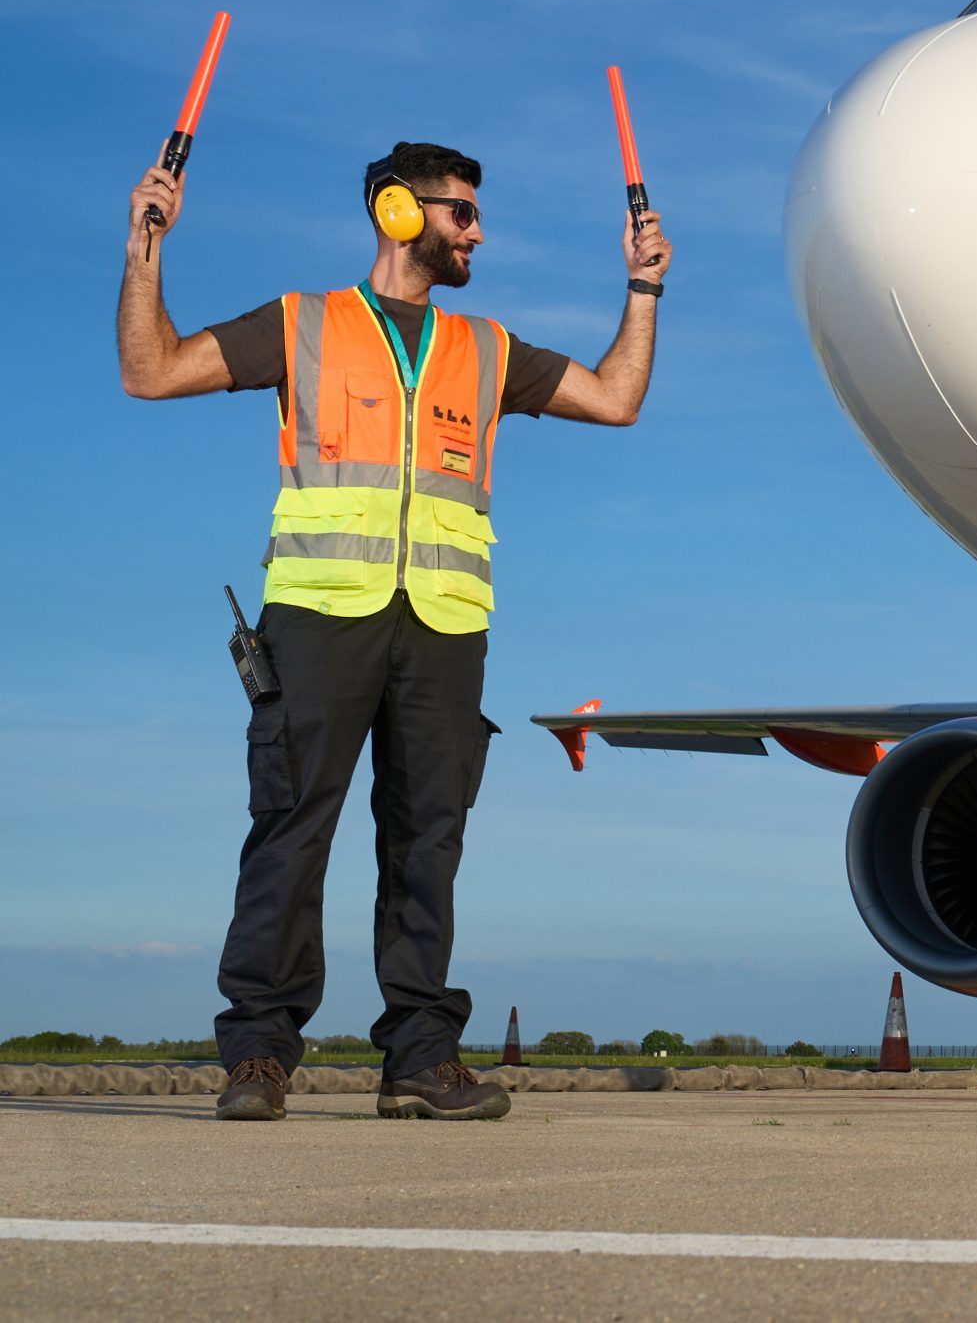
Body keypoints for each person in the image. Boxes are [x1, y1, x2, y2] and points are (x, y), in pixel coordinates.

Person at [117, 139, 672, 1122]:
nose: (478, 232)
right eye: (462, 213)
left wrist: (642, 290)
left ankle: (420, 1059)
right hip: (320, 616)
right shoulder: (302, 327)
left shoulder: (488, 348)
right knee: (292, 834)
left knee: (428, 843)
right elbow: (151, 371)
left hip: (446, 627)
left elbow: (617, 399)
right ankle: (258, 1056)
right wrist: (145, 249)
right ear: (399, 212)